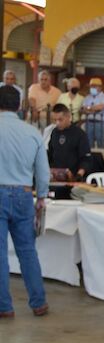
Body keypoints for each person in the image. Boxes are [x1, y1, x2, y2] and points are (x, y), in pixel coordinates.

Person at [0, 85, 50, 319]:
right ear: (19, 106)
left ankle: (4, 307)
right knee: (28, 251)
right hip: (23, 194)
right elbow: (43, 171)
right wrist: (41, 197)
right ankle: (38, 303)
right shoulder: (33, 132)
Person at [48, 104, 91, 181]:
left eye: (60, 120)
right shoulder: (54, 132)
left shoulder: (79, 134)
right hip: (56, 177)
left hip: (73, 177)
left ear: (68, 117)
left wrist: (79, 175)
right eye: (55, 120)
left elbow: (85, 158)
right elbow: (50, 154)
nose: (57, 123)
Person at [82, 78, 104, 148]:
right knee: (88, 144)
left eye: (94, 86)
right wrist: (93, 109)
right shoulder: (87, 97)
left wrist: (89, 108)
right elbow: (84, 109)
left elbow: (101, 107)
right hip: (89, 122)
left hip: (101, 123)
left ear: (100, 87)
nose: (92, 88)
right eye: (91, 86)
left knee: (101, 144)